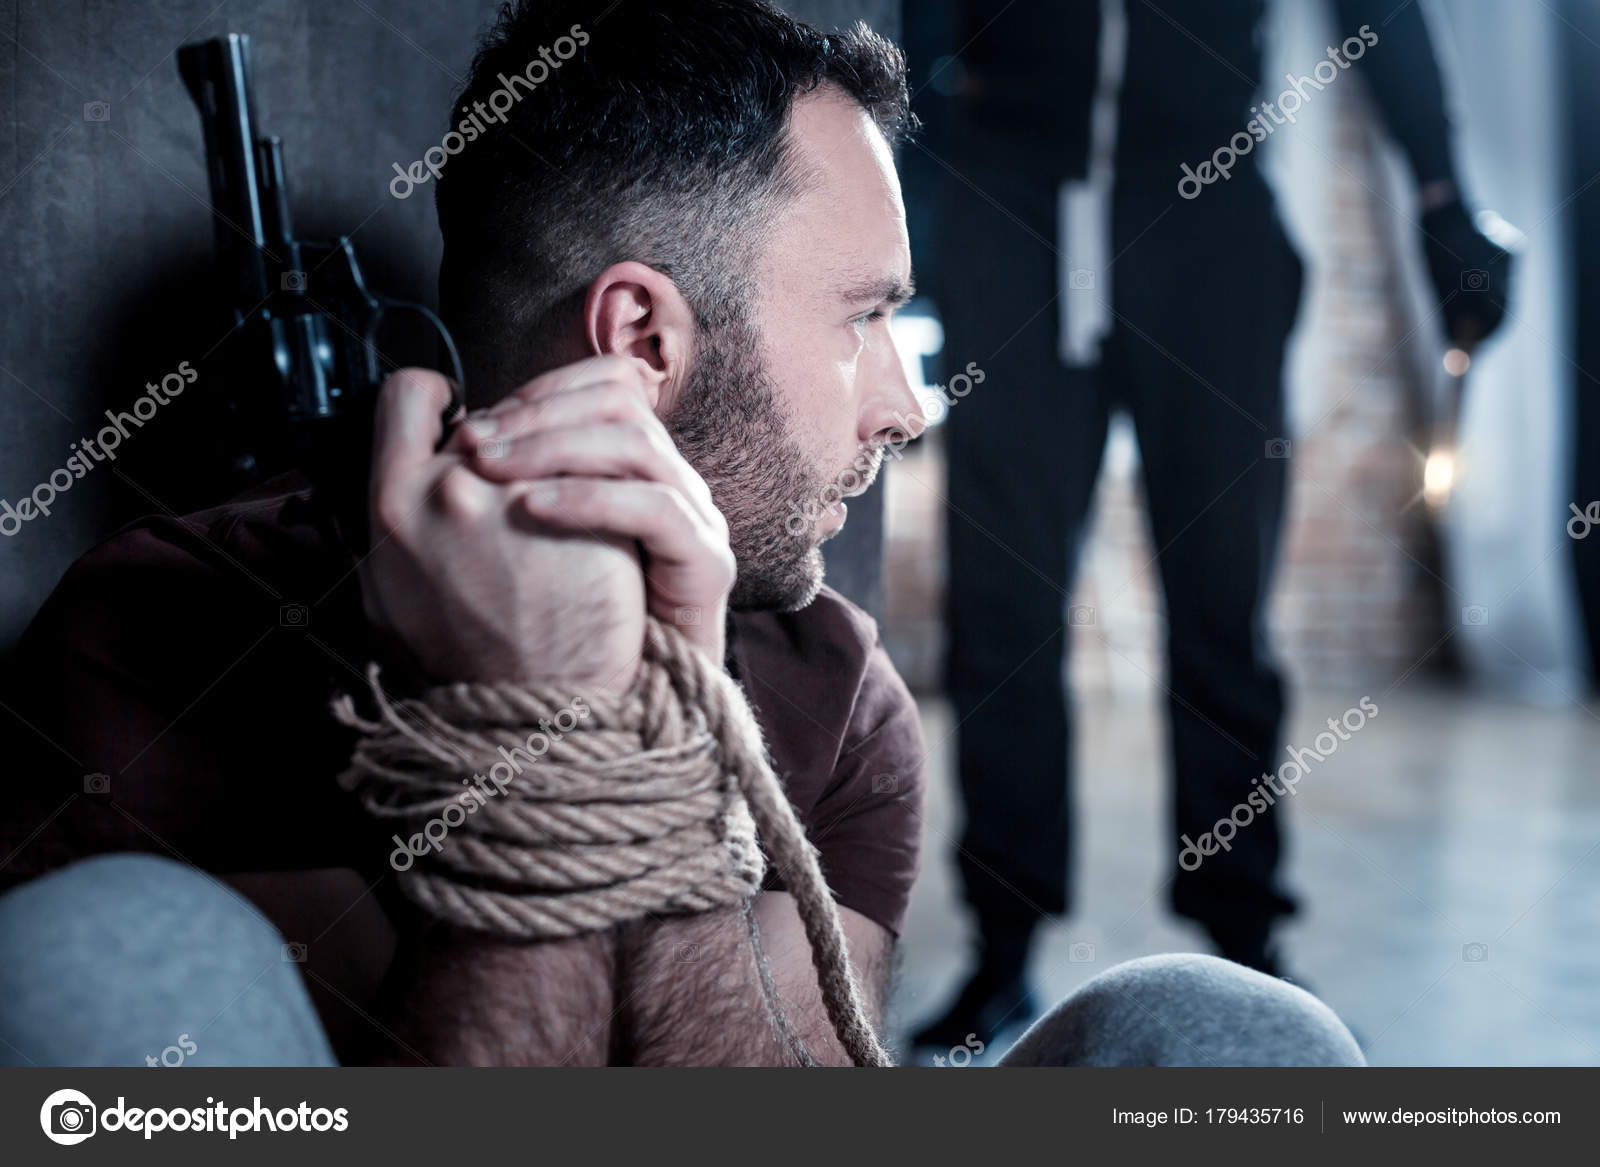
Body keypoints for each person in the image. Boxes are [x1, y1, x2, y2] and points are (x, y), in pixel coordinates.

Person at [0, 0, 1362, 1068]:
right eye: (865, 316)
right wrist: (543, 738)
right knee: (112, 948)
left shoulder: (839, 693)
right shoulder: (150, 636)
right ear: (644, 339)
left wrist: (670, 722)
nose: (907, 407)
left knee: (1232, 1040)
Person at [915, 0, 1513, 1051]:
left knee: (1221, 611)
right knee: (1002, 613)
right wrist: (913, 197)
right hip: (1010, 211)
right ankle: (1000, 952)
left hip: (1206, 217)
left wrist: (1442, 193)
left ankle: (1246, 946)